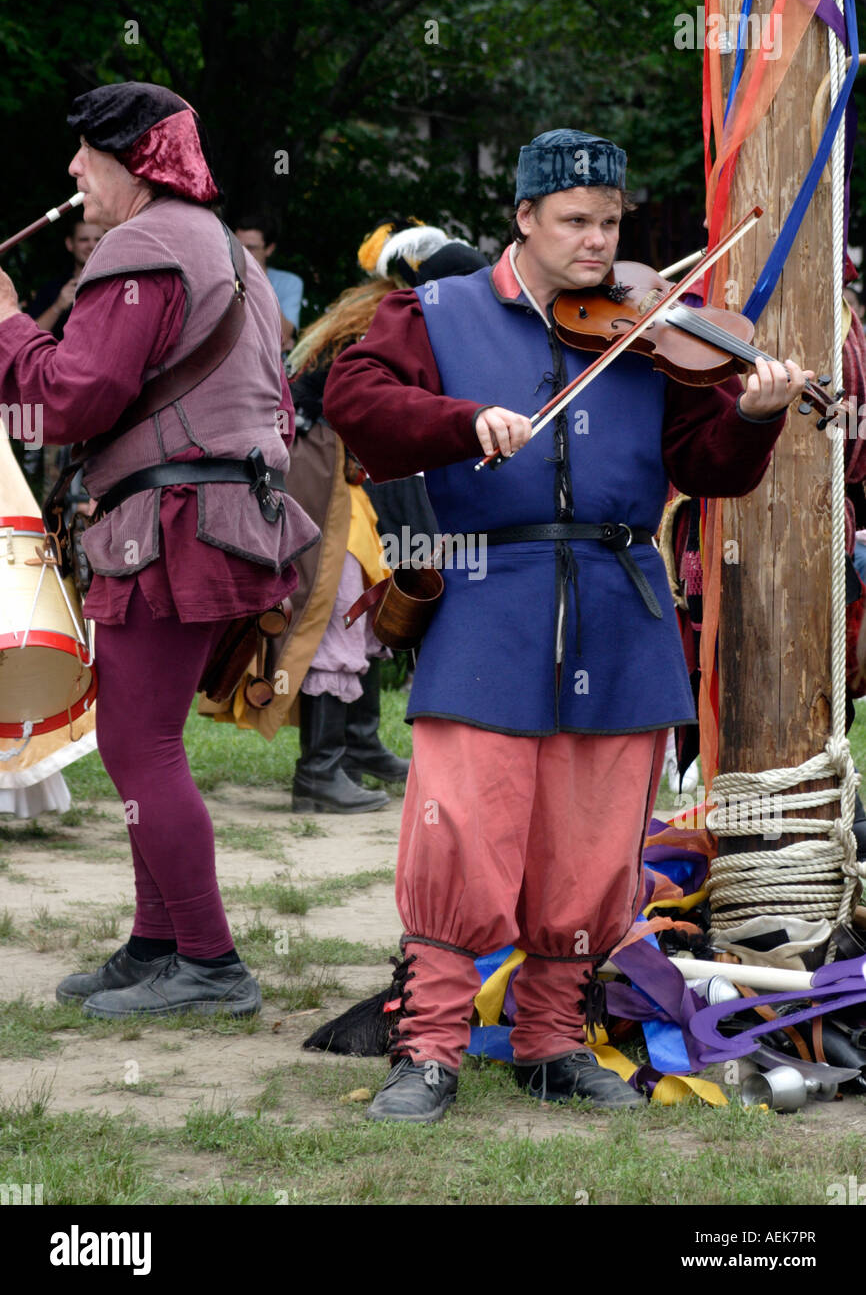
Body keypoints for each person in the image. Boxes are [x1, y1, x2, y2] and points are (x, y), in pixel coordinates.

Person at [324, 127, 810, 1122]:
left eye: (610, 221)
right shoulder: (435, 310)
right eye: (574, 221)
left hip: (617, 600)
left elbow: (706, 461)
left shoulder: (650, 329)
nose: (596, 241)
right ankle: (428, 1051)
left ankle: (551, 1040)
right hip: (490, 594)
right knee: (459, 830)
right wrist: (459, 421)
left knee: (591, 853)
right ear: (524, 219)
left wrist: (753, 416)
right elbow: (354, 398)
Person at [0, 81, 319, 1020]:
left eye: (84, 153)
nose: (70, 171)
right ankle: (157, 942)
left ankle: (212, 963)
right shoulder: (217, 246)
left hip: (173, 527)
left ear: (132, 162)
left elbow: (66, 401)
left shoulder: (143, 247)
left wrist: (8, 322)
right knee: (150, 742)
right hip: (201, 521)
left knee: (140, 748)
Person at [283, 219, 488, 815]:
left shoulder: (409, 322)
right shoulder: (382, 327)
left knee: (367, 606)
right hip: (330, 484)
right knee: (337, 607)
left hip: (362, 490)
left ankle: (358, 746)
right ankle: (318, 772)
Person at [234, 216, 303, 352]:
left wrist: (256, 278)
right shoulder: (224, 278)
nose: (243, 253)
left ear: (269, 249)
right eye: (238, 246)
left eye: (251, 248)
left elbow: (283, 335)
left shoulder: (289, 283)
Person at [28, 219, 105, 338]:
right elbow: (29, 337)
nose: (91, 246)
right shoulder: (52, 288)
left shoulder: (120, 283)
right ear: (70, 244)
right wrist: (58, 306)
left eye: (98, 239)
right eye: (84, 240)